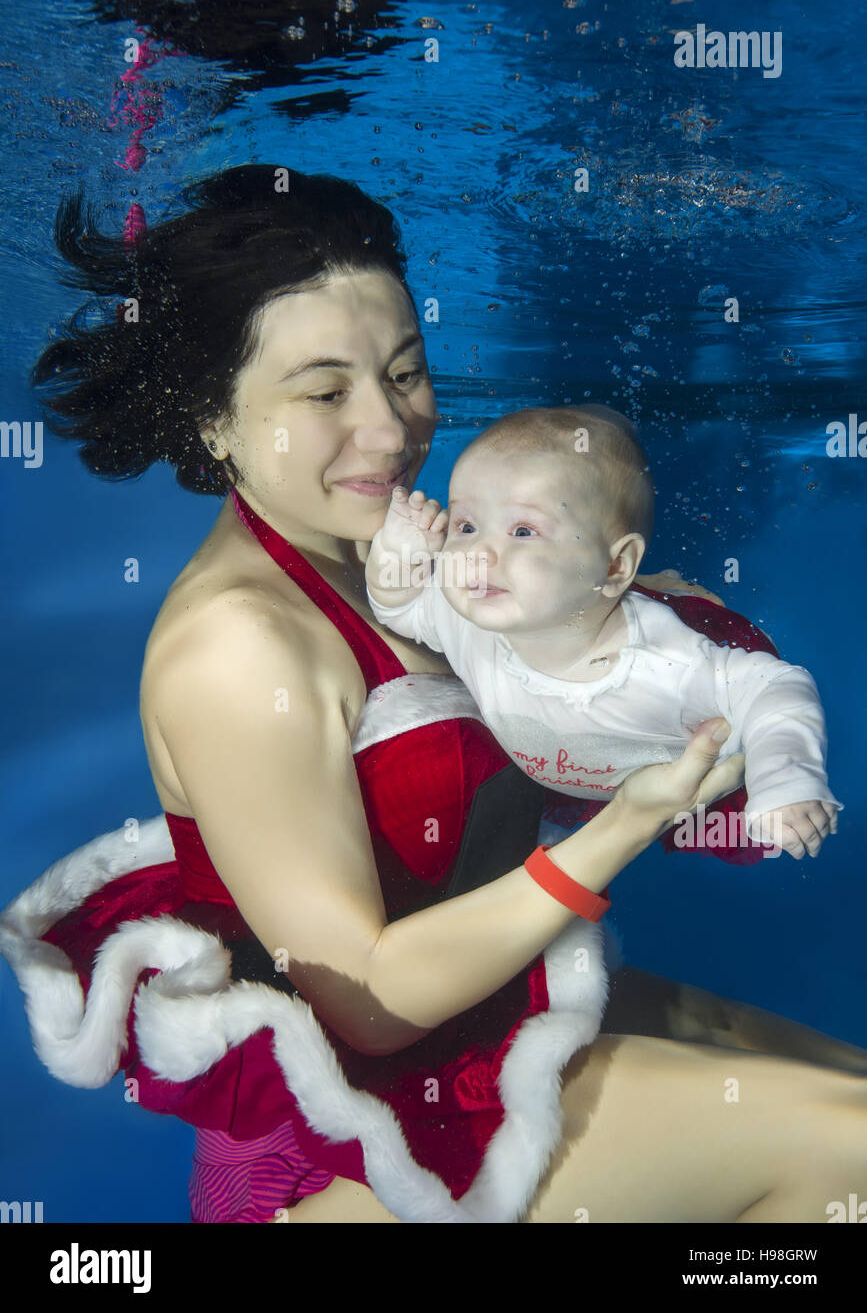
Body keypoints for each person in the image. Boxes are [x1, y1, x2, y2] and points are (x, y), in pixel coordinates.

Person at [1, 163, 865, 1226]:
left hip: (490, 1038)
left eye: (404, 373)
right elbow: (366, 1002)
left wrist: (622, 633)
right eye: (325, 394)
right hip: (345, 1151)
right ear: (213, 417)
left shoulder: (394, 557)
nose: (390, 429)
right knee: (852, 1146)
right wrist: (625, 827)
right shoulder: (237, 646)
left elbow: (535, 735)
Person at [365, 404, 842, 858]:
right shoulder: (469, 620)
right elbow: (400, 607)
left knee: (752, 823)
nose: (478, 553)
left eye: (523, 531)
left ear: (616, 566)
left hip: (689, 783)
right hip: (574, 774)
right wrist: (397, 552)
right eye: (467, 526)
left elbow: (777, 684)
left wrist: (784, 776)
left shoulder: (666, 663)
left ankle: (673, 595)